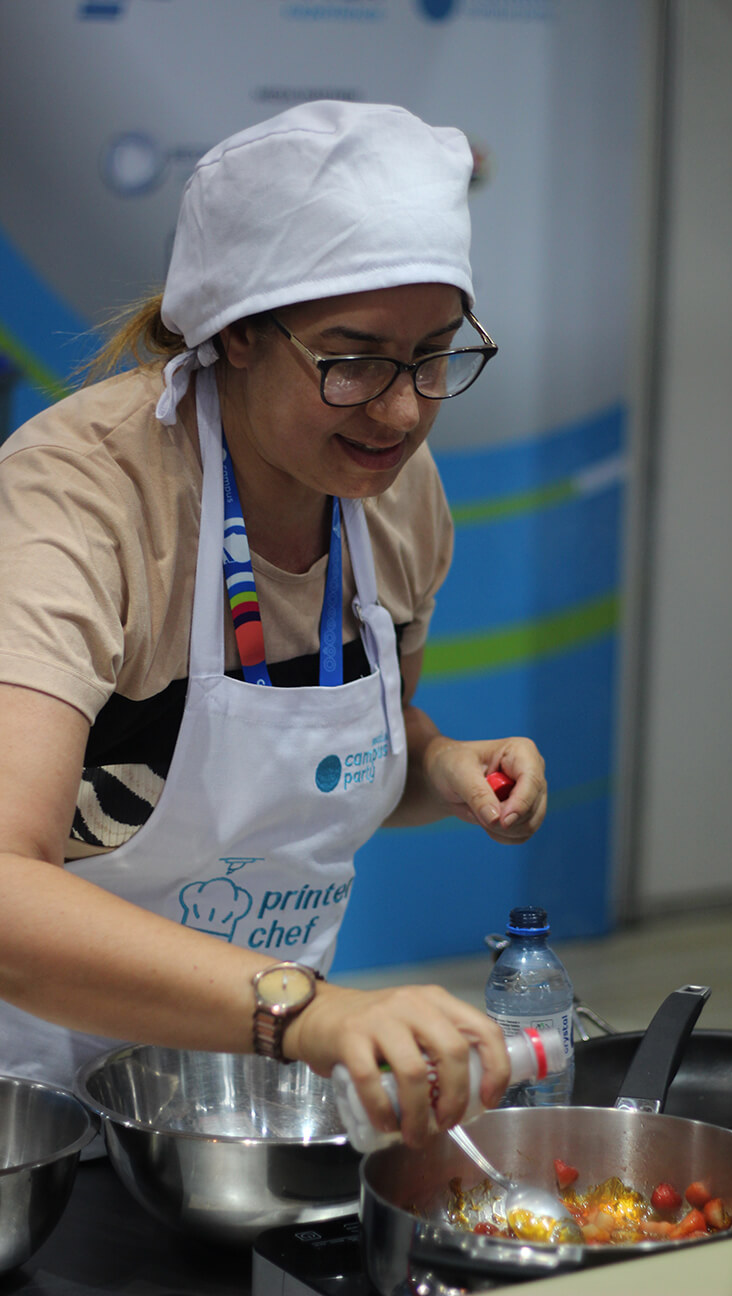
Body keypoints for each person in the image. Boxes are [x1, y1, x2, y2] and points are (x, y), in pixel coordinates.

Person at [0, 100, 547, 1148]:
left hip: (232, 1104)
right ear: (238, 331)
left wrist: (437, 765)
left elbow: (337, 763)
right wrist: (309, 1012)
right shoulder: (83, 500)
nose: (401, 412)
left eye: (434, 357)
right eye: (353, 360)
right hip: (32, 1107)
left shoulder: (395, 494)